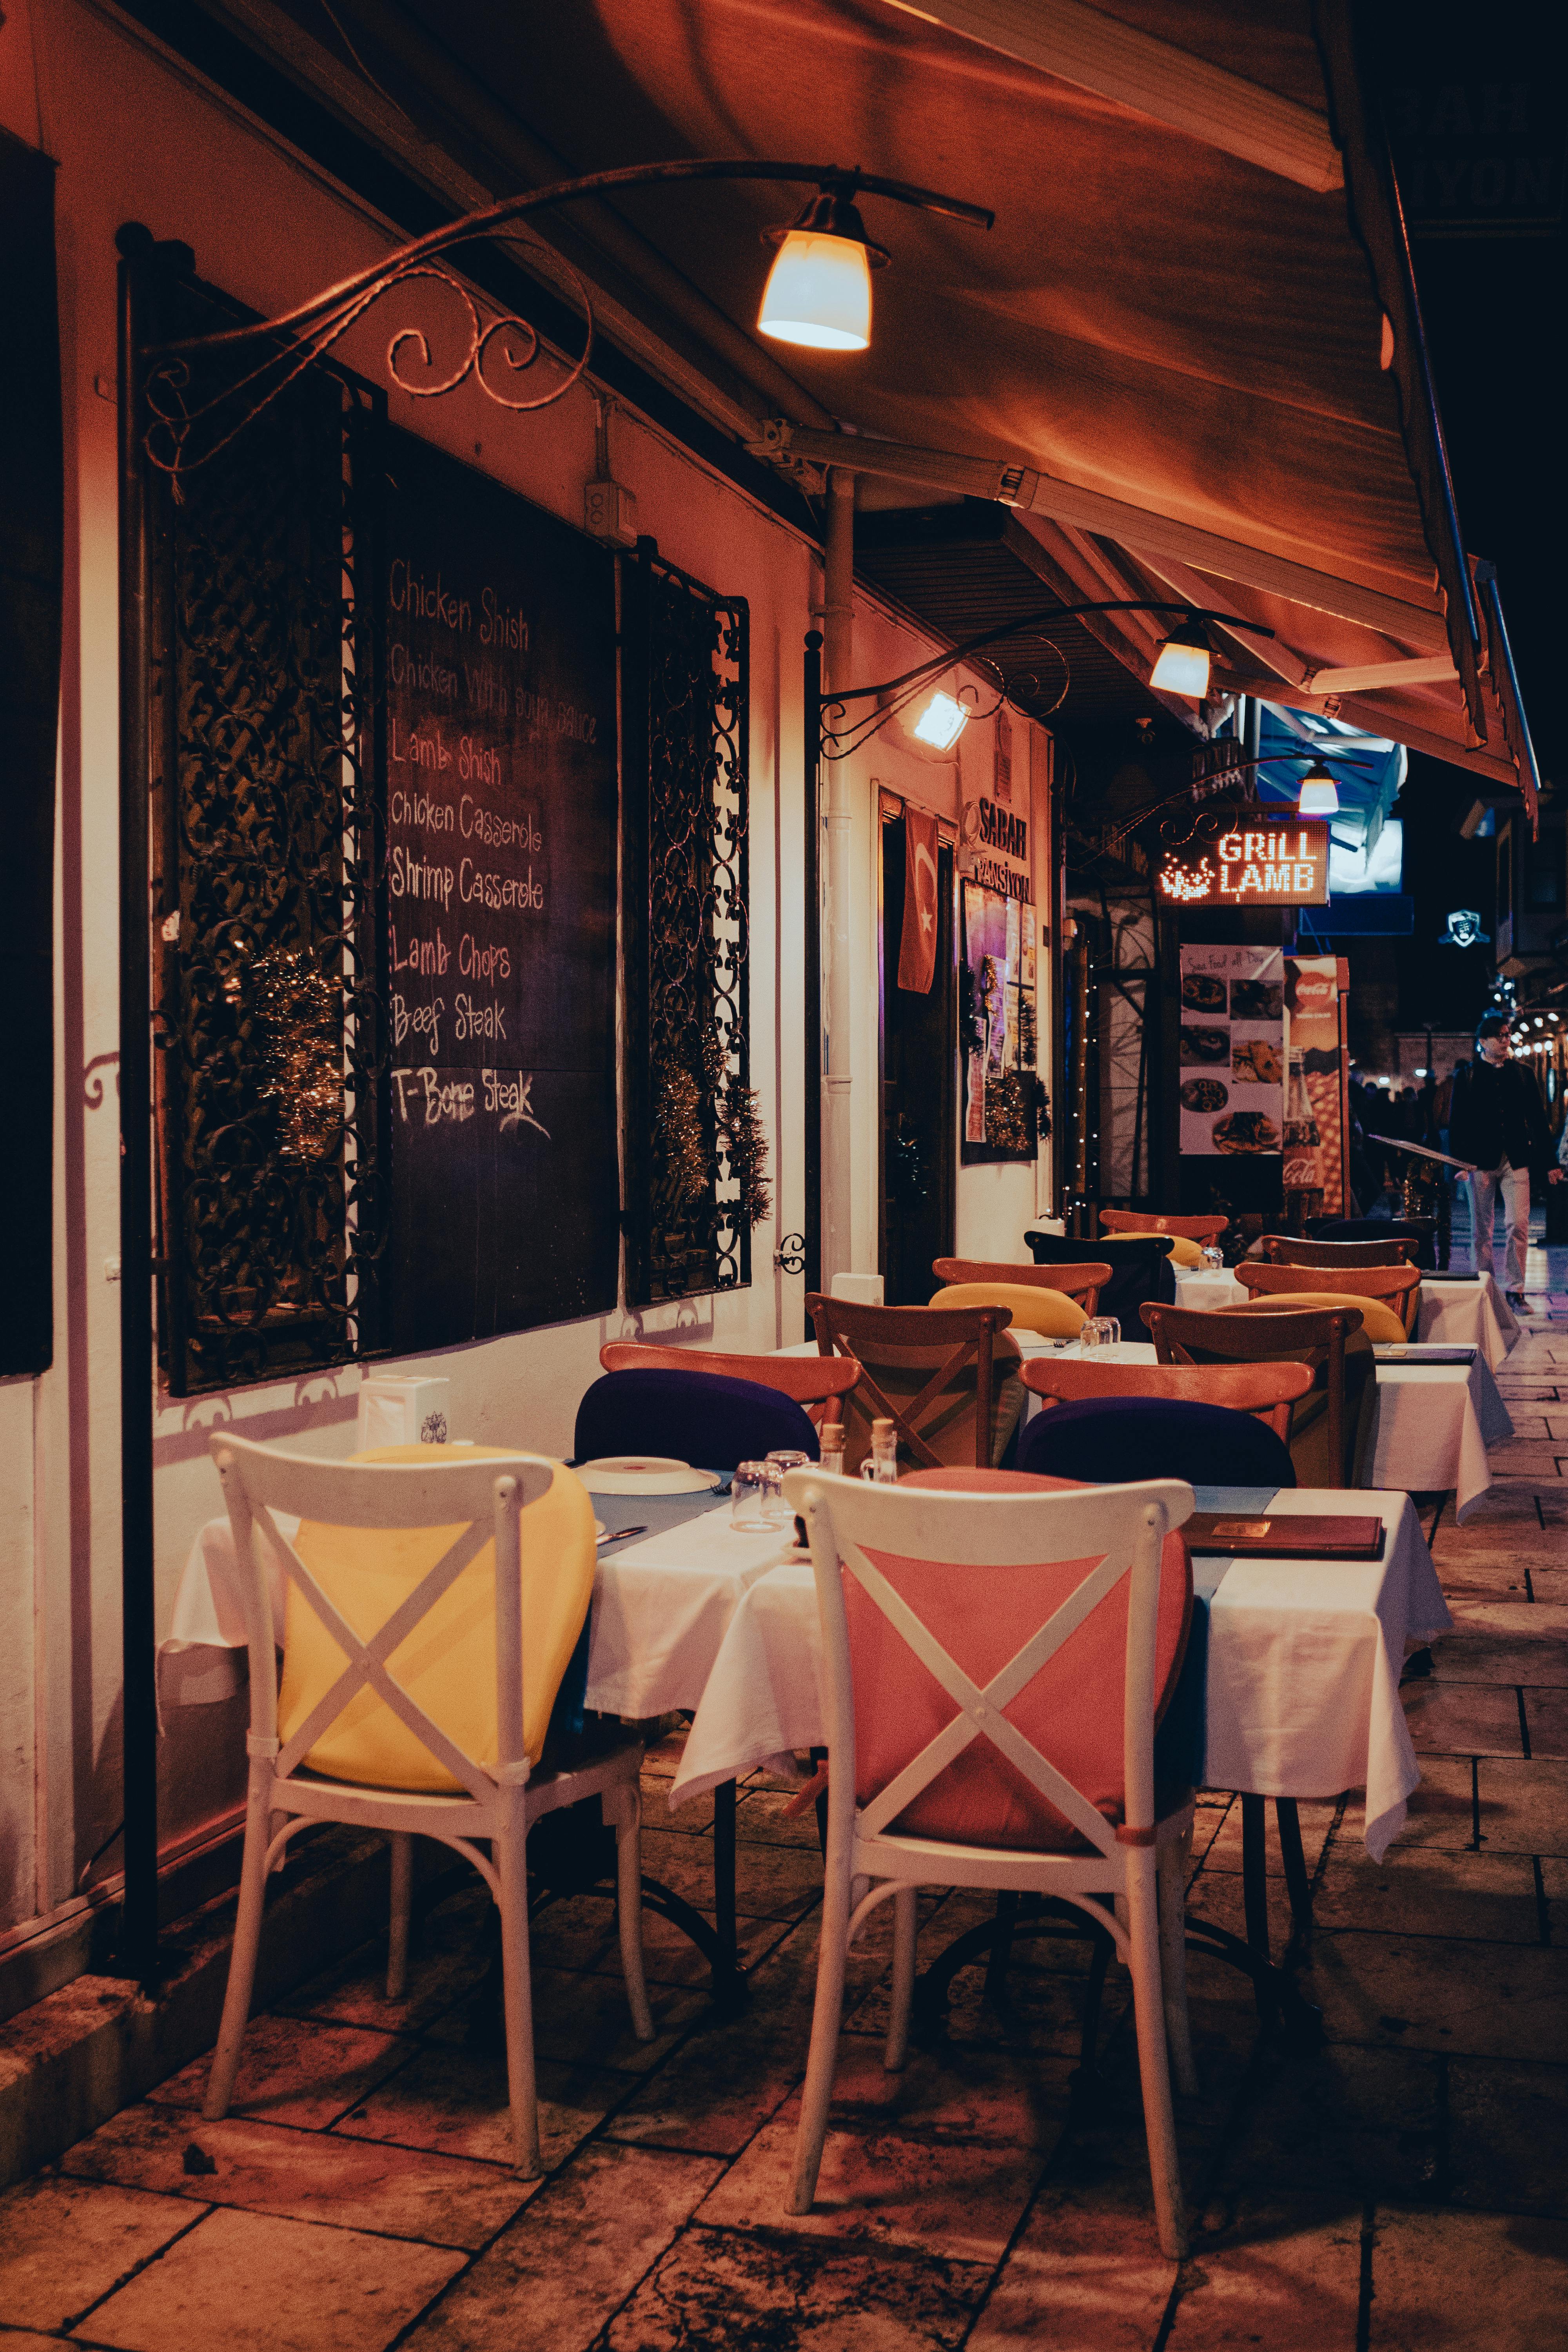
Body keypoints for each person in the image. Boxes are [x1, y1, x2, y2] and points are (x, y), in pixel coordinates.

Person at [1447, 1014, 1564, 1305]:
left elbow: (1538, 1119)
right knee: (1481, 1229)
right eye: (1498, 1036)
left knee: (1518, 1224)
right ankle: (1484, 1285)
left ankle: (1516, 1288)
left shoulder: (1522, 1073)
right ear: (1482, 1042)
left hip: (1516, 1158)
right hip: (1478, 1162)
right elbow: (1457, 1122)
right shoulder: (1467, 1076)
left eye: (1507, 1035)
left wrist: (1551, 1163)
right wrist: (1459, 1164)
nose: (1504, 1040)